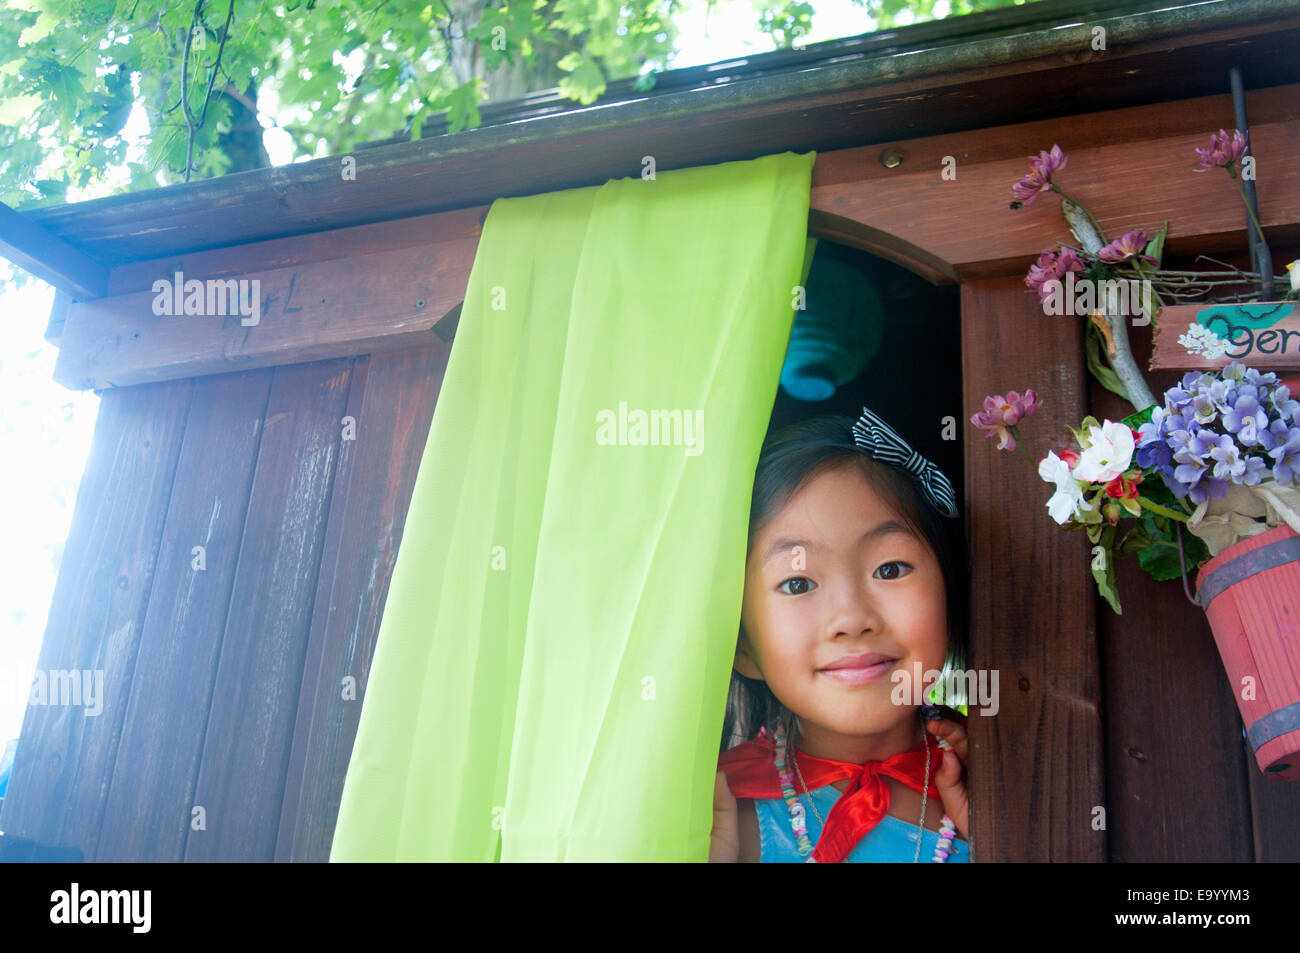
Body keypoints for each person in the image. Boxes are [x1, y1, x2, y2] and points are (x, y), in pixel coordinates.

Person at [709, 409, 972, 863]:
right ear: (744, 646)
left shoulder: (993, 785)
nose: (851, 619)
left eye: (890, 569)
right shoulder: (717, 812)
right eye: (797, 584)